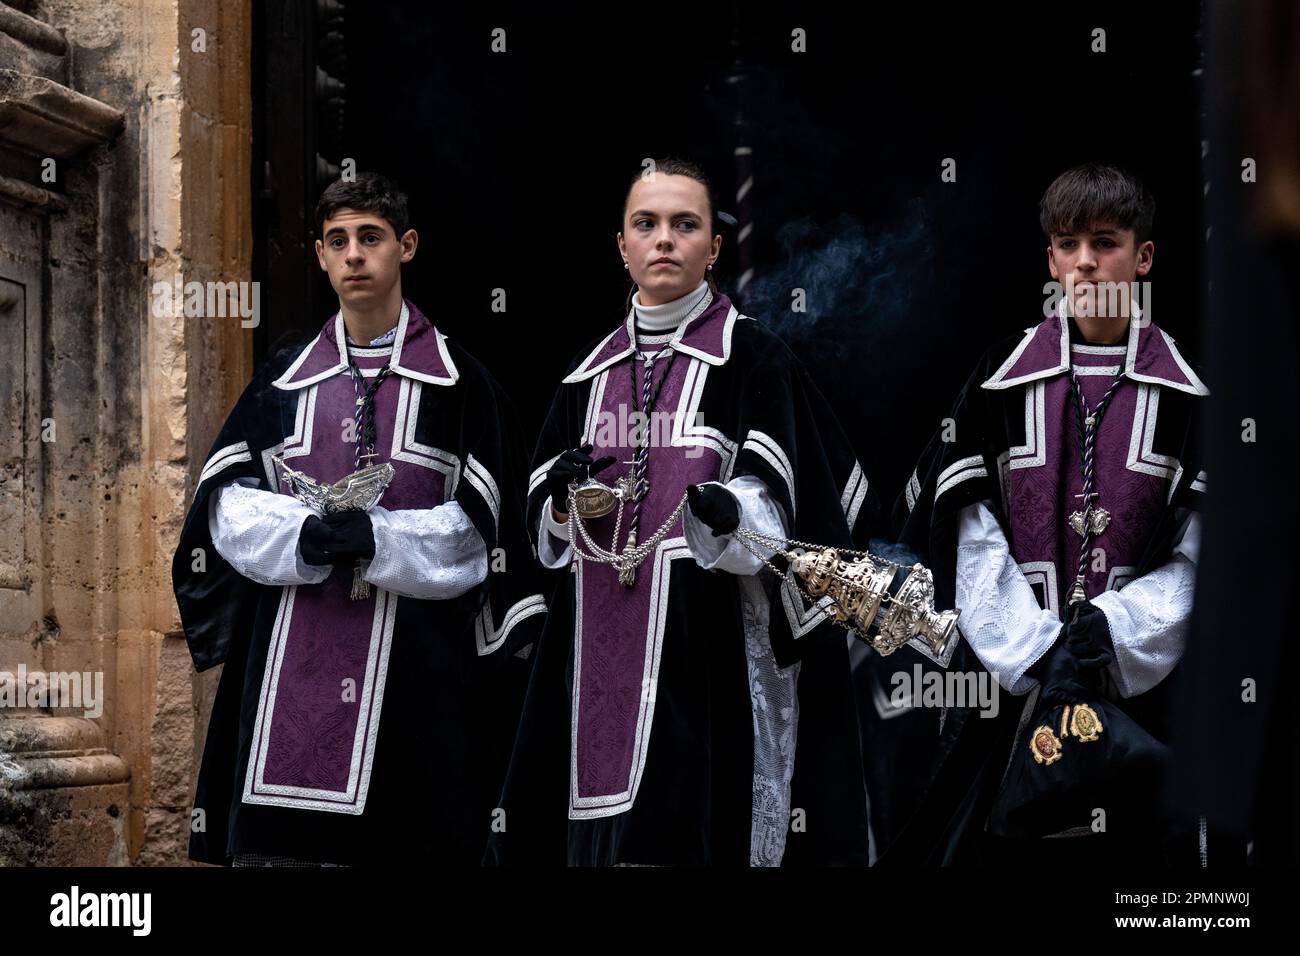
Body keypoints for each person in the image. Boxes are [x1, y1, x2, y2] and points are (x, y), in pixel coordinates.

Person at [487, 158, 874, 866]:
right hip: (593, 659)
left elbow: (796, 504)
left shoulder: (755, 361)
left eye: (684, 224)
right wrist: (560, 507)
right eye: (647, 224)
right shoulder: (585, 375)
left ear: (714, 248)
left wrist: (731, 511)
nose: (664, 239)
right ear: (622, 245)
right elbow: (536, 528)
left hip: (708, 658)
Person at [172, 172, 544, 866]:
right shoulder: (282, 379)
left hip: (416, 667)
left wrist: (383, 538)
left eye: (370, 238)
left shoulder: (460, 383)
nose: (353, 255)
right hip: (288, 658)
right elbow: (224, 504)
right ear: (318, 255)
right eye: (337, 241)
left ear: (405, 246)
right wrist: (303, 535)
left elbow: (484, 532)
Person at [886, 163, 1212, 865]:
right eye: (1069, 244)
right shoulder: (998, 380)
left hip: (1143, 696)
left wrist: (1112, 630)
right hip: (1009, 695)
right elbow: (964, 530)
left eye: (1106, 241)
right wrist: (1034, 647)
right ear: (1051, 259)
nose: (1086, 261)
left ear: (1144, 256)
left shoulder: (1192, 397)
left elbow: (1206, 556)